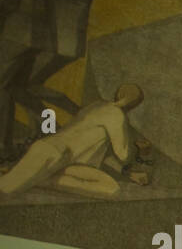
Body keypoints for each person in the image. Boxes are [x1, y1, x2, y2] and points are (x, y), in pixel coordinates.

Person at [0, 83, 143, 199]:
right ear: (134, 105)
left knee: (111, 188)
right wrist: (137, 149)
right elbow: (123, 155)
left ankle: (39, 179)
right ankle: (35, 177)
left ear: (118, 93)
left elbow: (102, 155)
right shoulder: (116, 115)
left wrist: (128, 174)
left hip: (61, 159)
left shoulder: (97, 106)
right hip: (51, 153)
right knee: (5, 189)